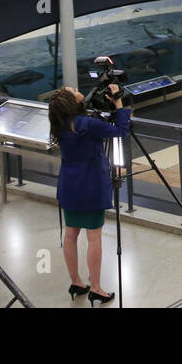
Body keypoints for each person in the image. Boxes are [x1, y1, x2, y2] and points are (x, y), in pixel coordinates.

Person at [48, 84, 131, 305]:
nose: (77, 89)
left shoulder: (59, 124)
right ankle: (96, 287)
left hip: (69, 185)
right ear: (72, 102)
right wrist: (119, 103)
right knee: (94, 237)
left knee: (71, 233)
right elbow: (120, 131)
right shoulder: (87, 124)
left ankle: (76, 281)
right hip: (91, 184)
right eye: (72, 91)